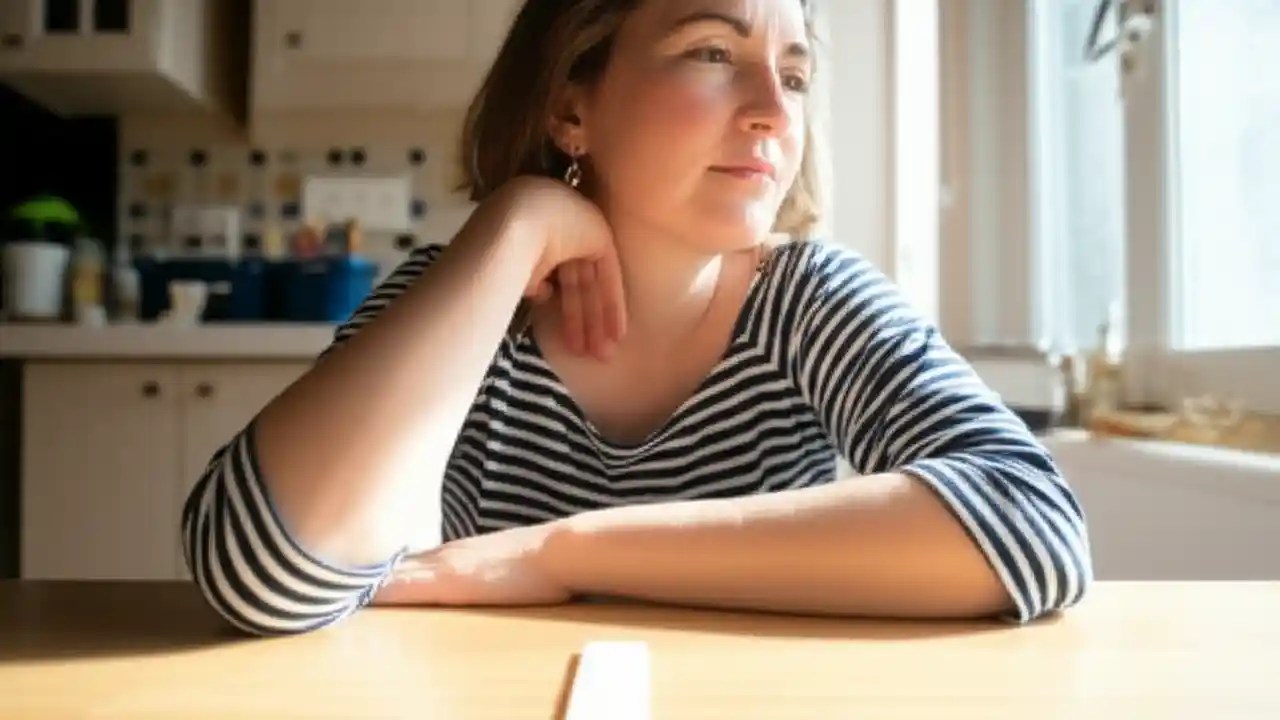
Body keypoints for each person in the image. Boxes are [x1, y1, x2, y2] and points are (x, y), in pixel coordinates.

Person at [181, 0, 1092, 637]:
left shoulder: (811, 300)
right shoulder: (463, 300)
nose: (776, 112)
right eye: (710, 52)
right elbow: (262, 578)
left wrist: (565, 554)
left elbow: (1030, 530)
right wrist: (516, 223)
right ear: (572, 103)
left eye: (795, 74)